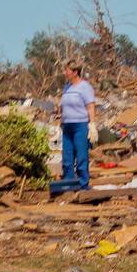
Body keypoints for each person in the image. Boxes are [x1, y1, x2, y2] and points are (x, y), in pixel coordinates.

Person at [59, 61, 97, 190]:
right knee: (67, 157)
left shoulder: (84, 87)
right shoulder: (67, 87)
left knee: (81, 156)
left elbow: (90, 106)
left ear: (75, 72)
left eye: (67, 70)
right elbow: (63, 105)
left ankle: (82, 184)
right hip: (67, 126)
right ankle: (69, 183)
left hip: (80, 126)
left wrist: (92, 125)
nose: (65, 73)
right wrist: (61, 120)